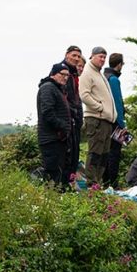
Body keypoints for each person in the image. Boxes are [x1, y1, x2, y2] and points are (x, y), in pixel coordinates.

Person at [79, 46, 116, 185]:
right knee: (95, 153)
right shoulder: (87, 72)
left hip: (106, 120)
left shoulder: (99, 73)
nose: (102, 59)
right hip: (96, 119)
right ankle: (91, 183)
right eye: (100, 56)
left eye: (104, 57)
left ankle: (97, 182)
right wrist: (99, 107)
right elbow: (84, 95)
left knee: (104, 154)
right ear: (92, 56)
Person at [36, 63, 73, 188]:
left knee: (59, 173)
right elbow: (47, 112)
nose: (65, 77)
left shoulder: (57, 89)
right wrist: (63, 126)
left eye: (67, 75)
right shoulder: (48, 88)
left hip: (58, 139)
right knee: (52, 174)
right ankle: (50, 202)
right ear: (53, 74)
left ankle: (57, 200)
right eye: (62, 74)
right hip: (50, 139)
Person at [103, 53, 127, 188]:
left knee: (107, 153)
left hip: (106, 120)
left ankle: (106, 182)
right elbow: (117, 102)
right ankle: (113, 183)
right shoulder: (114, 79)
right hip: (115, 122)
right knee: (115, 154)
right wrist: (122, 124)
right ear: (119, 65)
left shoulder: (104, 76)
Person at [61, 46, 84, 180]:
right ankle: (62, 187)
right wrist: (73, 113)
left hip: (75, 120)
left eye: (78, 56)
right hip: (67, 119)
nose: (76, 58)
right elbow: (64, 97)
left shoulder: (74, 73)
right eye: (74, 55)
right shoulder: (63, 71)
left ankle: (69, 184)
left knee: (75, 155)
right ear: (66, 55)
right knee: (67, 156)